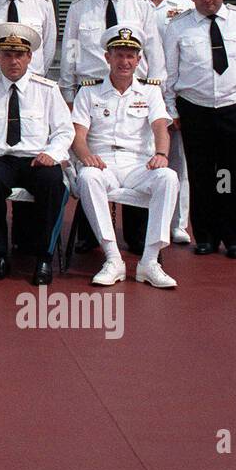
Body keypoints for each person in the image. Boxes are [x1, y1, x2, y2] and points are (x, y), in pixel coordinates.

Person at [162, 0, 236, 259]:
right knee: (201, 174)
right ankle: (206, 236)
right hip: (194, 109)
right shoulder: (178, 26)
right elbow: (169, 72)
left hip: (233, 107)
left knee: (235, 174)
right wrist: (172, 109)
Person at [0, 22, 72, 286]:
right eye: (7, 55)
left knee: (52, 183)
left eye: (19, 54)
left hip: (37, 158)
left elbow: (64, 131)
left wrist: (52, 154)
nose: (14, 61)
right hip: (0, 158)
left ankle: (44, 256)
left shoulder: (47, 90)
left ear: (30, 57)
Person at [71, 28, 179, 289]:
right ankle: (112, 258)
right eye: (119, 55)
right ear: (107, 57)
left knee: (168, 177)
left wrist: (162, 155)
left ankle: (150, 262)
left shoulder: (150, 92)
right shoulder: (89, 92)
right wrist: (86, 156)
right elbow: (78, 134)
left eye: (130, 56)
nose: (124, 62)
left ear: (139, 60)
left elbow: (160, 129)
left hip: (137, 163)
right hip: (102, 160)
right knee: (87, 177)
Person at [60, 0, 164, 103]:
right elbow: (71, 52)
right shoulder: (78, 7)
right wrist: (68, 97)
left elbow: (154, 54)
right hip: (91, 92)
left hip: (134, 91)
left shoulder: (141, 5)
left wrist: (157, 95)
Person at [136, 0, 193, 244]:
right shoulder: (134, 6)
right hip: (141, 93)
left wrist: (175, 104)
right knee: (145, 156)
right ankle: (147, 221)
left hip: (173, 94)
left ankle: (178, 222)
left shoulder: (185, 8)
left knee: (176, 161)